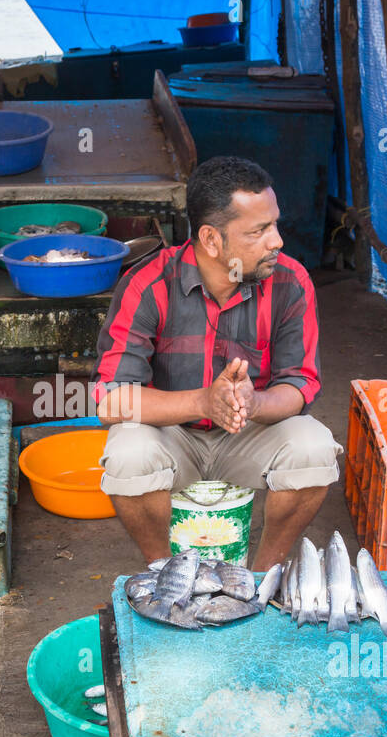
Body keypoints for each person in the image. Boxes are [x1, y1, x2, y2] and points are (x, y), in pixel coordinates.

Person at [92, 156, 341, 570]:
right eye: (258, 231)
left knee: (314, 448)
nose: (276, 241)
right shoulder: (148, 284)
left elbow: (298, 385)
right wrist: (204, 402)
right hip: (173, 438)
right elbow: (112, 401)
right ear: (210, 240)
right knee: (128, 453)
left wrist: (254, 403)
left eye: (274, 224)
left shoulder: (290, 283)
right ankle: (164, 577)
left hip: (250, 434)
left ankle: (262, 579)